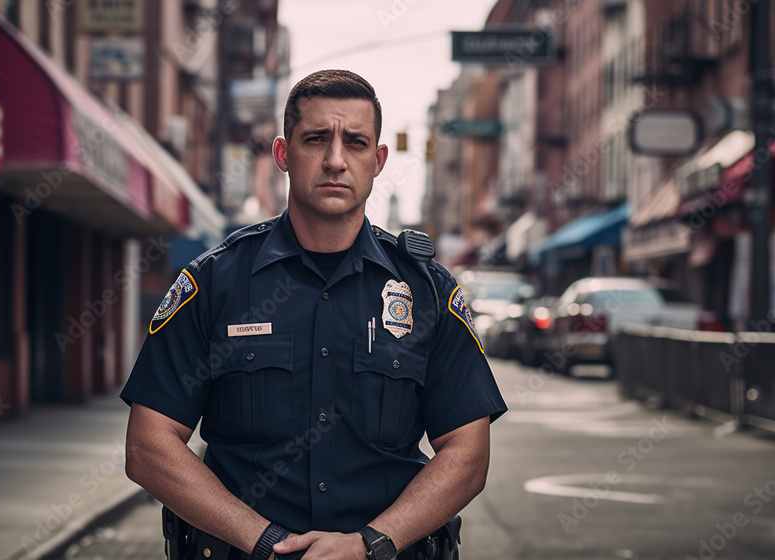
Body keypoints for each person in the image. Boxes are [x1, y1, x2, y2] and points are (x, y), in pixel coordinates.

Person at [122, 69, 507, 560]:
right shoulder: (215, 283)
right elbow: (150, 445)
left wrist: (369, 544)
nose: (335, 160)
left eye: (357, 142)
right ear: (283, 154)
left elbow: (468, 455)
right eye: (316, 139)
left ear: (378, 160)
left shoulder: (426, 291)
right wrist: (263, 542)